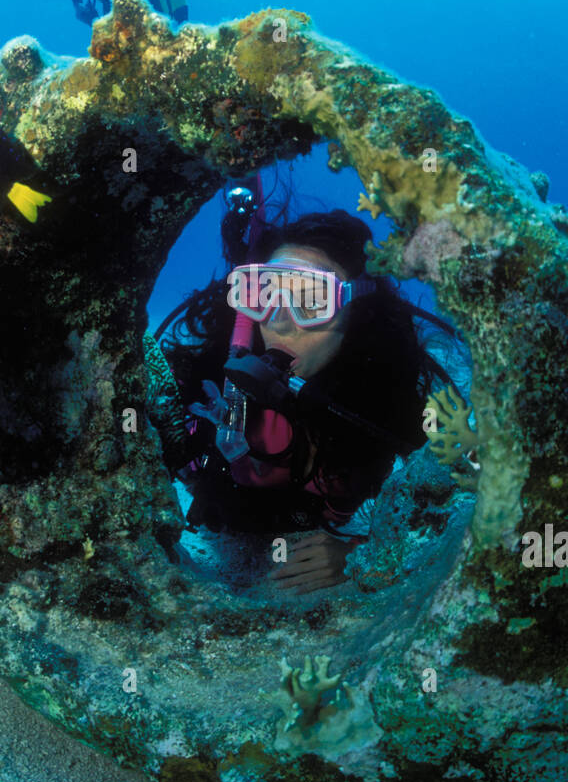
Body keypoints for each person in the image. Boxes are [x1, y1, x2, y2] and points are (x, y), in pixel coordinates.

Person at [159, 204, 454, 595]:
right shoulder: (212, 372)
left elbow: (444, 508)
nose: (279, 320)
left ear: (355, 312)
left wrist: (359, 552)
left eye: (313, 301)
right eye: (263, 293)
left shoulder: (385, 405)